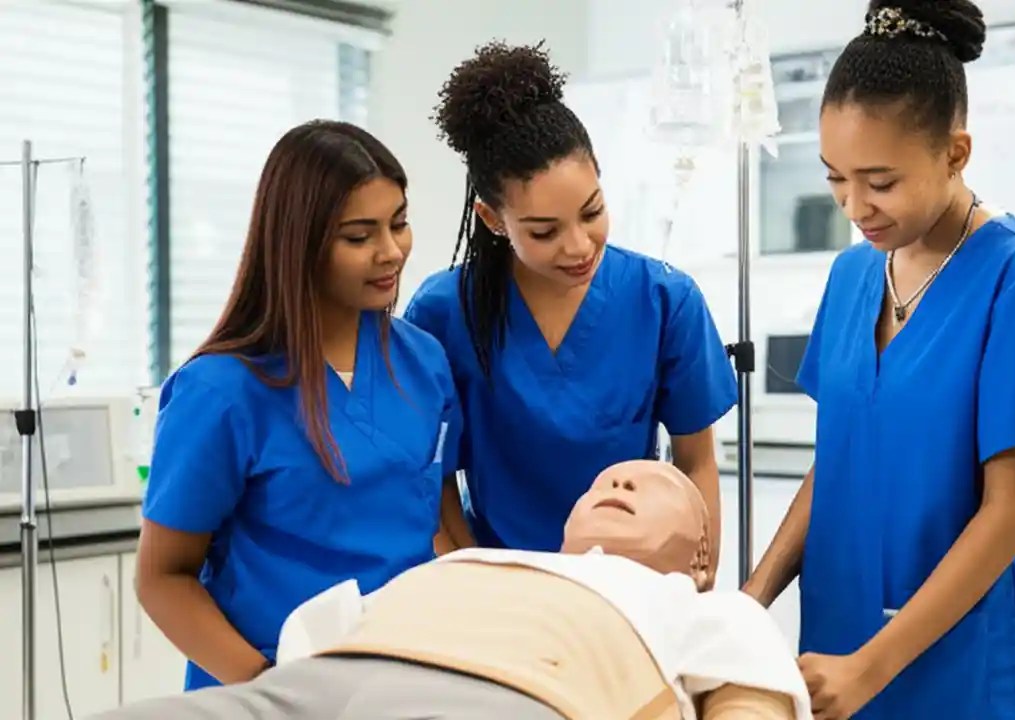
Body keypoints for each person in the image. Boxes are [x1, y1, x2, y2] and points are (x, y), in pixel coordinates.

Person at [742, 3, 1015, 719]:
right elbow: (835, 460)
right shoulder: (851, 276)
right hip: (838, 646)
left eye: (881, 181)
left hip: (965, 662)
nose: (854, 206)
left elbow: (1010, 514)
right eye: (836, 177)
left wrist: (873, 666)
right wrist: (751, 602)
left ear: (955, 153)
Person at [92, 461, 810, 720]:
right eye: (601, 483)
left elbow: (752, 696)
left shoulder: (700, 605)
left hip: (513, 693)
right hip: (317, 681)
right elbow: (317, 634)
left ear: (703, 557)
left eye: (647, 484)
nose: (618, 482)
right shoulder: (478, 563)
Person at [135, 120, 461, 691]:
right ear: (299, 242)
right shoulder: (221, 392)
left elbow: (431, 523)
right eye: (359, 237)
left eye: (399, 223)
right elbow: (163, 578)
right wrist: (270, 687)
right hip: (270, 689)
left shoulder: (423, 362)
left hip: (403, 680)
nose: (391, 252)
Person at [403, 42, 736, 571]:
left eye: (592, 211)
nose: (579, 246)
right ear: (493, 220)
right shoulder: (444, 313)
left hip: (631, 583)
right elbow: (434, 479)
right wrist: (483, 582)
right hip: (499, 578)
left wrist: (694, 583)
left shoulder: (664, 299)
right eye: (544, 231)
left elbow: (696, 466)